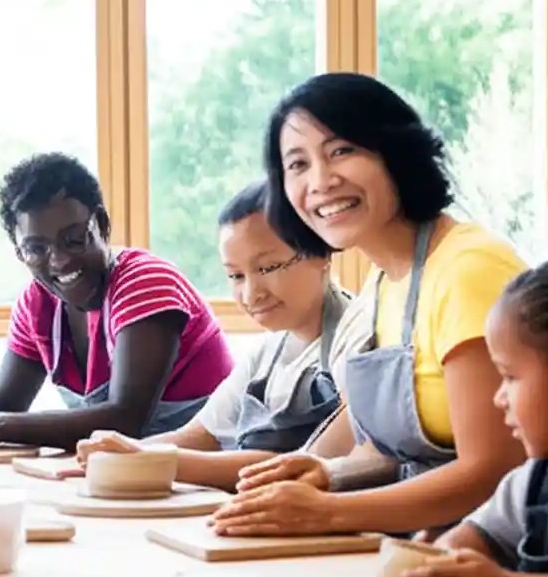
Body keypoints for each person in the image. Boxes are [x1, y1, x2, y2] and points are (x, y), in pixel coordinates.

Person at [208, 72, 529, 538]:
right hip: (423, 536)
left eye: (341, 151)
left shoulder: (468, 268)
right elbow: (385, 451)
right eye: (297, 165)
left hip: (494, 547)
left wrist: (325, 512)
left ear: (395, 153)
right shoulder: (383, 282)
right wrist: (325, 475)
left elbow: (492, 471)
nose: (320, 182)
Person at [0, 152, 234, 451]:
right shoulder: (37, 305)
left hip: (212, 477)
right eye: (37, 249)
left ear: (102, 225)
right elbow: (1, 403)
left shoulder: (144, 282)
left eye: (74, 240)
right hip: (138, 478)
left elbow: (125, 418)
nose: (59, 261)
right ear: (20, 254)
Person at [76, 180, 368, 491]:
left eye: (268, 268)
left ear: (320, 251)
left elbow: (304, 465)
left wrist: (148, 459)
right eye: (236, 276)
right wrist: (114, 454)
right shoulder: (268, 351)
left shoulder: (357, 338)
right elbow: (202, 435)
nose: (251, 293)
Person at [403, 252, 548, 577]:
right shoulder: (536, 481)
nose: (499, 398)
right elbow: (474, 539)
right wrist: (443, 562)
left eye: (510, 377)